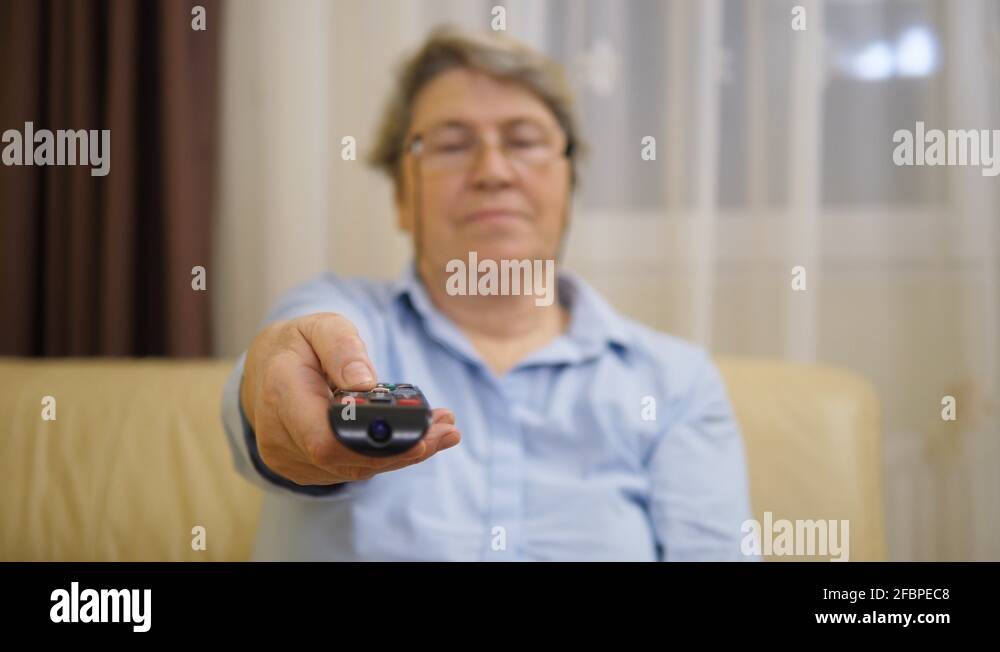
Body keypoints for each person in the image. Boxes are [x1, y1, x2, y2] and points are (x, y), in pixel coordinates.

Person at [221, 25, 754, 561]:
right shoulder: (342, 319)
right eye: (451, 145)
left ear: (569, 186)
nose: (493, 171)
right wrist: (273, 408)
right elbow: (277, 384)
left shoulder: (677, 384)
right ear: (403, 199)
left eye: (524, 141)